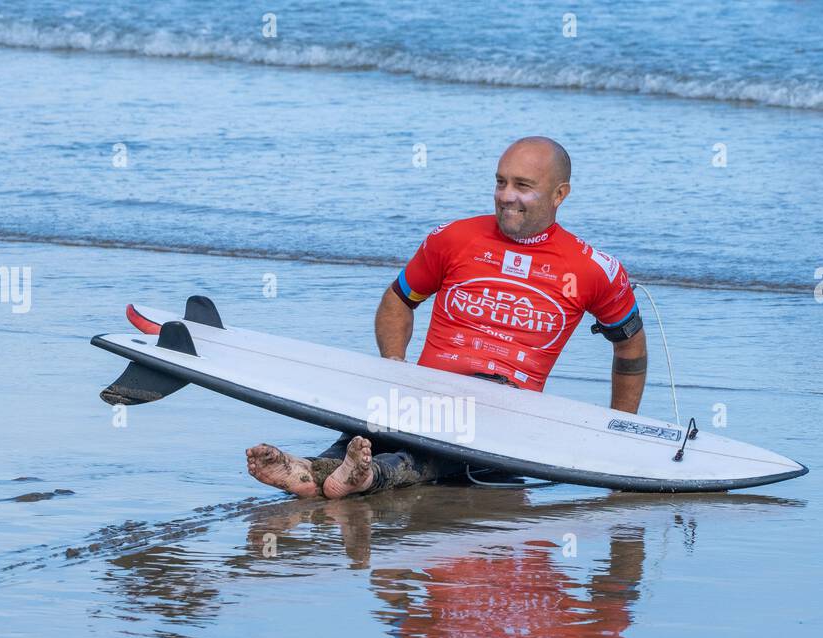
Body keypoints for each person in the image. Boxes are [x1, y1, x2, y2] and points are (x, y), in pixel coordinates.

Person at [246, 135, 648, 498]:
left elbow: (630, 344)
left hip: (504, 412)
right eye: (500, 182)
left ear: (560, 194)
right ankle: (321, 468)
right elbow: (399, 299)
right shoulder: (453, 239)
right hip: (423, 388)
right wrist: (394, 365)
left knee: (436, 453)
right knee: (368, 428)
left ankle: (353, 476)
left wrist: (619, 430)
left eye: (523, 186)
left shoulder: (594, 269)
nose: (506, 196)